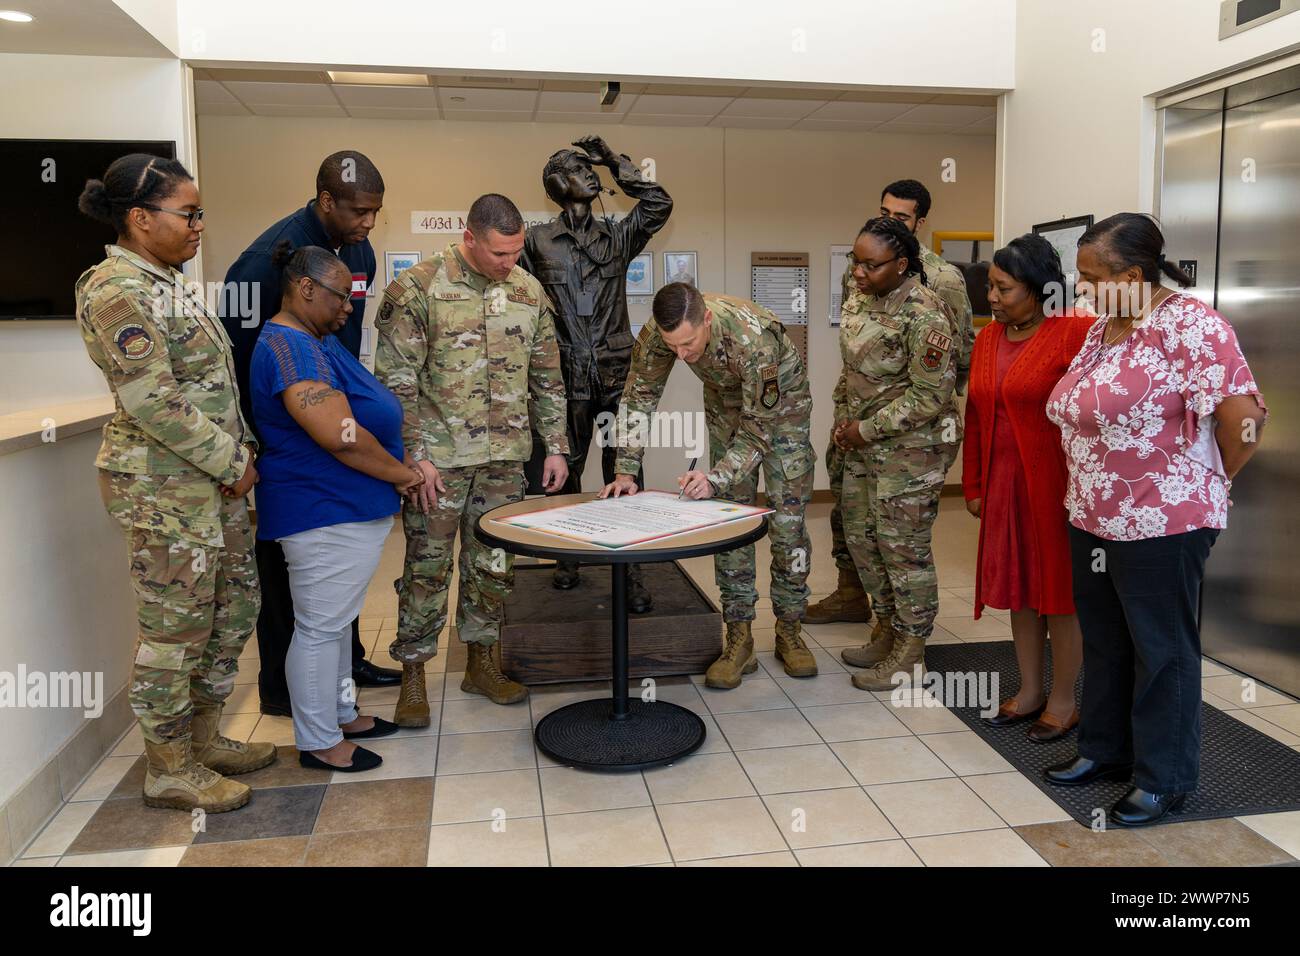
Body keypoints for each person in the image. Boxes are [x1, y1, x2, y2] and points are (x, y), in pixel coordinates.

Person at [1044, 213, 1266, 826]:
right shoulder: (1106, 329)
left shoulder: (1193, 326)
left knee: (1161, 651)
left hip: (1163, 523)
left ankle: (1163, 779)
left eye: (1092, 278)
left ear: (1133, 275)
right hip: (1092, 514)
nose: (1081, 288)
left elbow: (1243, 419)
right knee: (1109, 640)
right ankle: (1106, 752)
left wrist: (1202, 483)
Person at [75, 154, 273, 813]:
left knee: (233, 612)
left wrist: (233, 462)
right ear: (140, 218)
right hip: (167, 495)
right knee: (174, 632)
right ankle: (167, 767)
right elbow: (153, 402)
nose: (198, 225)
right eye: (188, 214)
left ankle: (203, 741)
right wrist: (232, 461)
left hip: (215, 488)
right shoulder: (115, 290)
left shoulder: (166, 282)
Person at [218, 150, 399, 718]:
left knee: (332, 587)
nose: (369, 223)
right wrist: (257, 444)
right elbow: (242, 363)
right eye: (360, 211)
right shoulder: (259, 265)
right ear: (327, 202)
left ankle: (342, 671)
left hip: (332, 417)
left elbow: (345, 336)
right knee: (292, 576)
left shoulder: (358, 250)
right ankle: (283, 687)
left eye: (376, 212)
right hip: (292, 440)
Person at [375, 194, 570, 718]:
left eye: (516, 252)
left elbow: (548, 378)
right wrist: (414, 455)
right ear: (469, 239)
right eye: (499, 254)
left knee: (494, 565)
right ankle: (413, 674)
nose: (510, 264)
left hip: (505, 461)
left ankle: (481, 662)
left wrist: (556, 447)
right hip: (437, 462)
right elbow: (395, 384)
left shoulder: (528, 292)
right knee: (427, 568)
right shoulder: (418, 288)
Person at [251, 243, 422, 771]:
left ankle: (342, 712)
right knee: (320, 630)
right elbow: (341, 436)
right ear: (305, 288)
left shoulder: (313, 339)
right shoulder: (290, 348)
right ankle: (320, 740)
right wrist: (404, 474)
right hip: (320, 512)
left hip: (342, 510)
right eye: (341, 297)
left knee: (338, 624)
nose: (349, 308)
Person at [604, 284, 818, 687]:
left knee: (788, 528)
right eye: (674, 347)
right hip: (725, 406)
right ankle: (739, 637)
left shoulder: (753, 340)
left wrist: (714, 475)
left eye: (689, 344)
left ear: (706, 319)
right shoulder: (659, 334)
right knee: (730, 524)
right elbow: (638, 396)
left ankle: (790, 631)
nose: (682, 355)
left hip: (781, 415)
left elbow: (759, 430)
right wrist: (625, 471)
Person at [807, 179, 973, 630]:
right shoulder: (863, 280)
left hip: (910, 436)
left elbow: (949, 365)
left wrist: (912, 418)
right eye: (885, 211)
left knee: (900, 539)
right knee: (856, 526)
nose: (860, 272)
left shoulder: (938, 286)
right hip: (860, 426)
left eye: (900, 217)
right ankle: (868, 610)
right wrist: (848, 419)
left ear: (919, 223)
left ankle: (906, 636)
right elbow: (858, 355)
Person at [521, 135, 673, 611]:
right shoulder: (537, 241)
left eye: (592, 169)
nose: (590, 175)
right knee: (562, 473)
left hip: (615, 377)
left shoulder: (618, 237)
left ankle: (631, 575)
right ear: (557, 184)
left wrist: (614, 160)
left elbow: (658, 201)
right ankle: (568, 557)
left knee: (626, 477)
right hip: (564, 382)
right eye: (578, 168)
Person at [963, 234, 1093, 741]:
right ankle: (1031, 690)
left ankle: (1064, 700)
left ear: (1039, 290)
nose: (991, 297)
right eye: (990, 286)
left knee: (1058, 594)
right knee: (1020, 591)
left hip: (1056, 486)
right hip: (1002, 484)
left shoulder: (1074, 334)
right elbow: (976, 417)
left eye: (1004, 288)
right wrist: (974, 483)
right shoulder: (988, 340)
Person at [833, 217, 961, 691]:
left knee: (901, 548)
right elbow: (852, 368)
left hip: (912, 450)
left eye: (871, 264)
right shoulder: (861, 297)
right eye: (855, 261)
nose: (859, 272)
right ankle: (885, 627)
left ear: (902, 263)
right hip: (862, 443)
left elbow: (931, 396)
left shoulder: (926, 314)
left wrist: (865, 428)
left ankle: (911, 648)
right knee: (863, 539)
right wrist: (843, 422)